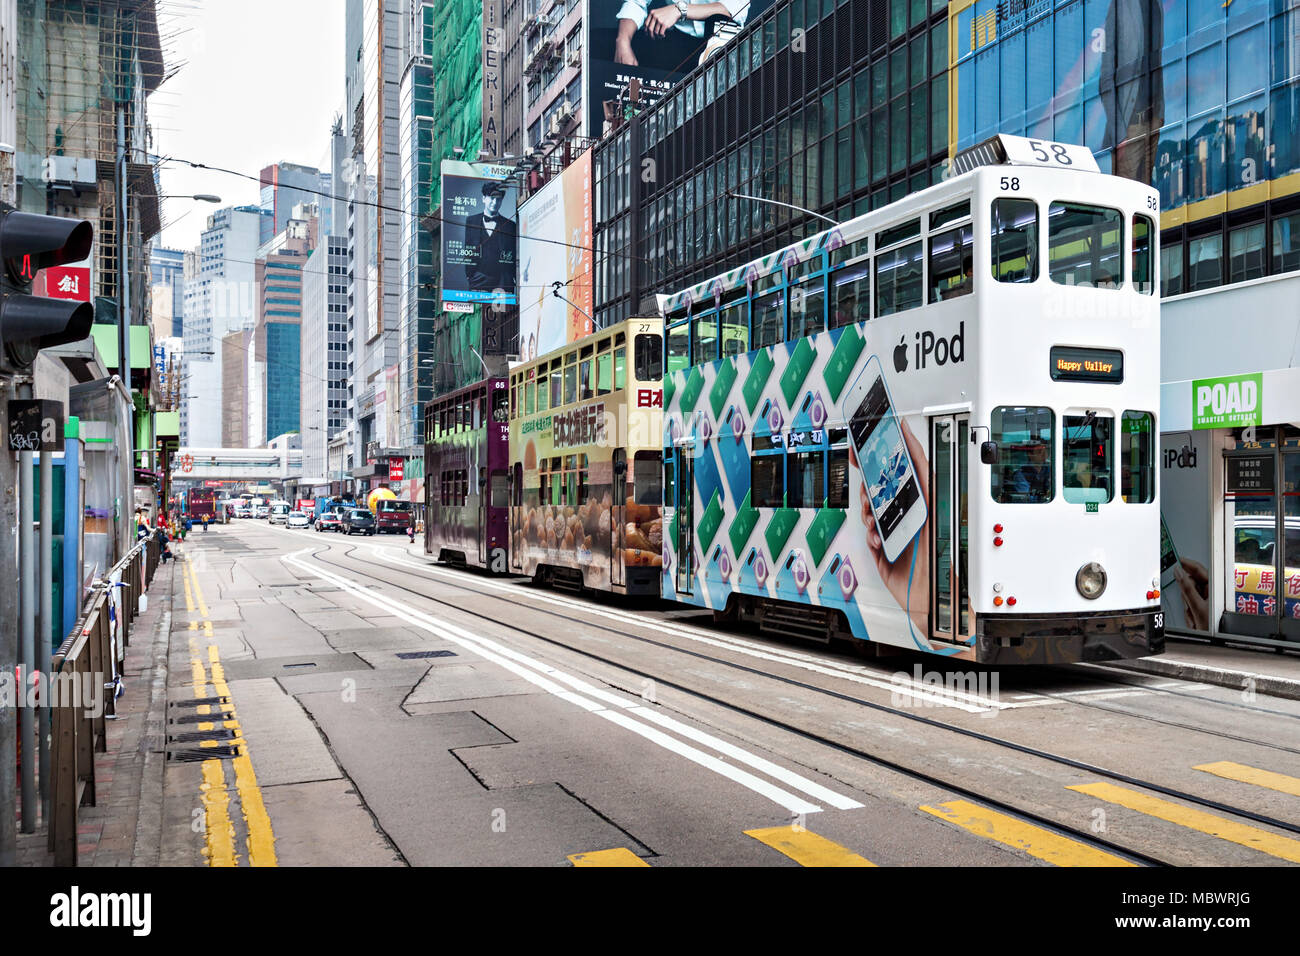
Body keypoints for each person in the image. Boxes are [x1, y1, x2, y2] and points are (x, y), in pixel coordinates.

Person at [613, 0, 750, 68]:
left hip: (719, 41)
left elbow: (735, 10)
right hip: (676, 40)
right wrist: (623, 41)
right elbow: (636, 3)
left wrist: (680, 10)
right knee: (600, 41)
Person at [463, 183, 516, 293]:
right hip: (479, 278)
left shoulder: (510, 225)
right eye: (492, 198)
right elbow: (467, 249)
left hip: (503, 279)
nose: (495, 203)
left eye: (499, 199)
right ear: (484, 198)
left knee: (505, 309)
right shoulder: (471, 221)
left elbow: (513, 252)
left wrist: (511, 277)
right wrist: (470, 275)